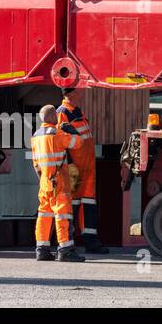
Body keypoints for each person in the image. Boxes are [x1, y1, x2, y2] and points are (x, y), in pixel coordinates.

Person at [58, 89, 109, 253]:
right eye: (79, 92)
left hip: (87, 170)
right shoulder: (63, 113)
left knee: (88, 205)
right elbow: (61, 141)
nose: (82, 94)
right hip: (76, 170)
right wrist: (70, 165)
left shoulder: (77, 112)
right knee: (71, 206)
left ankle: (91, 241)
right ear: (70, 94)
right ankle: (68, 242)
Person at [31, 104, 83, 262]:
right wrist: (72, 130)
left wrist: (43, 178)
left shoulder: (35, 136)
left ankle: (42, 249)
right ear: (53, 117)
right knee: (63, 214)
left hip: (44, 182)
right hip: (59, 181)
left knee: (44, 214)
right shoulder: (57, 134)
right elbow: (77, 143)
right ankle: (65, 250)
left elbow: (35, 163)